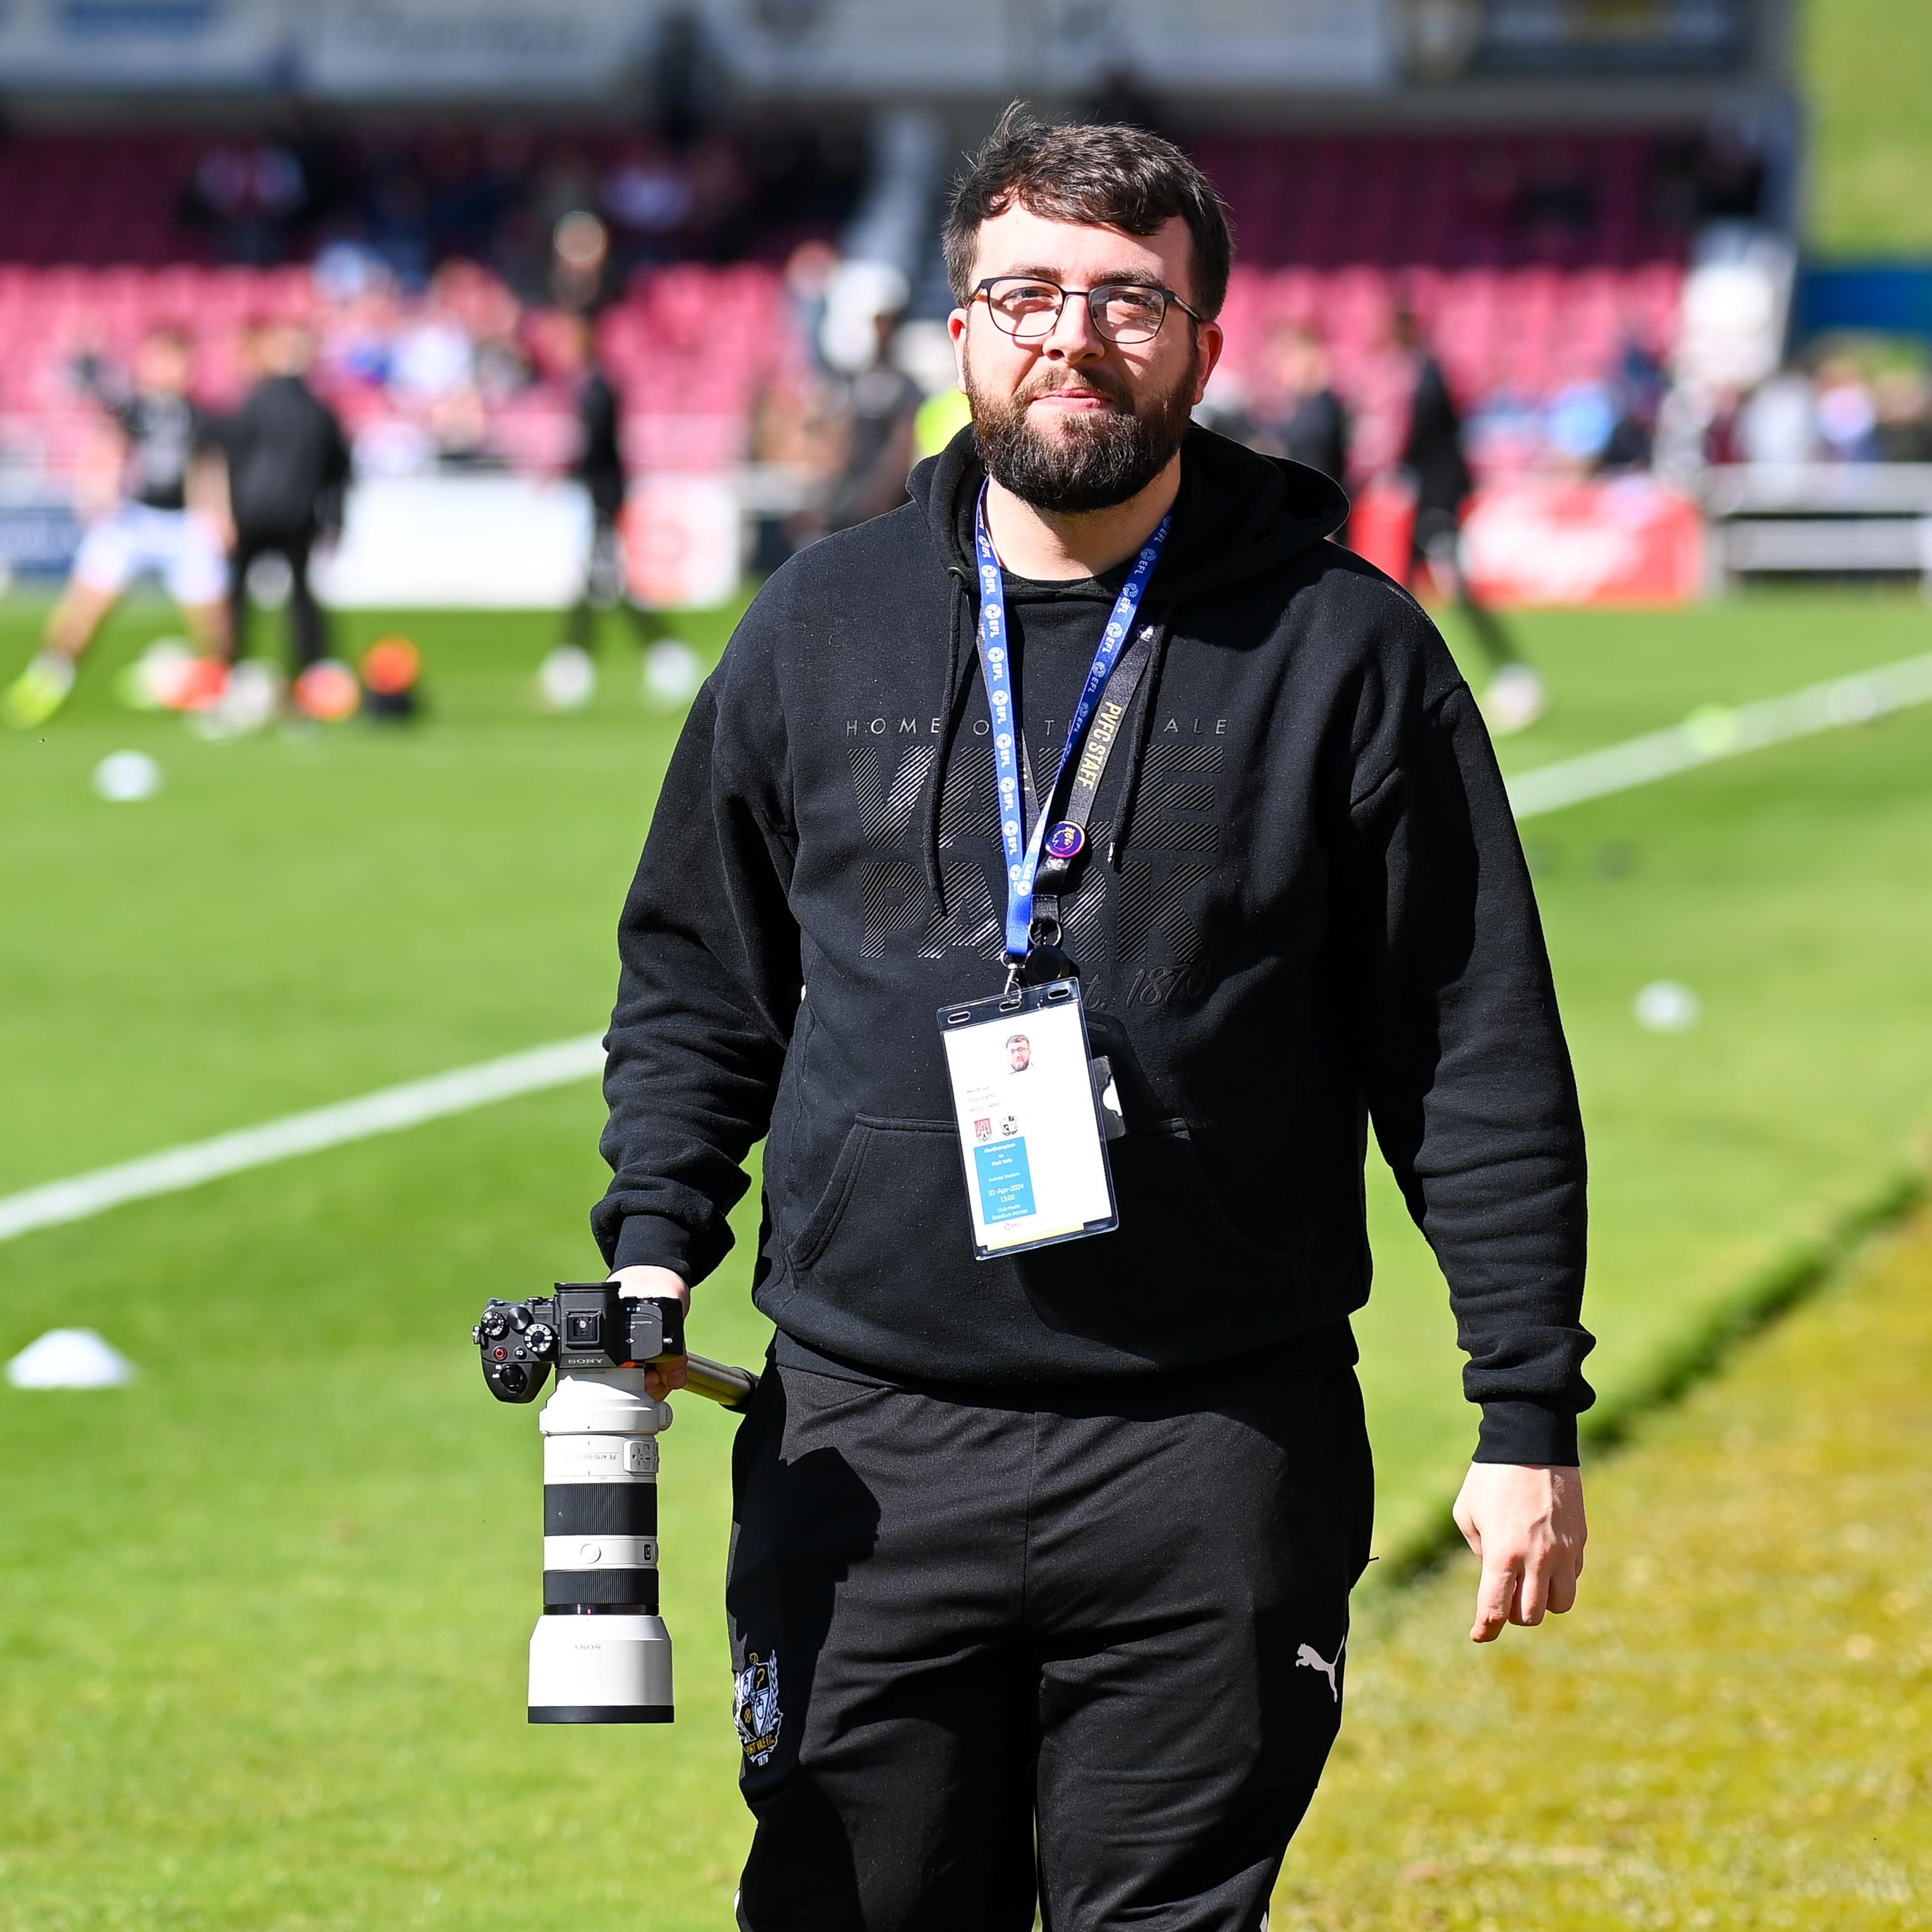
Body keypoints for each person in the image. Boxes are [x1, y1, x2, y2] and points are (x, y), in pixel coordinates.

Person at [597, 109, 1591, 1932]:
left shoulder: (1343, 647)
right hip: (868, 1440)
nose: (1074, 336)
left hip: (1212, 1446)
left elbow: (1471, 1046)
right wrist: (655, 1244)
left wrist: (1523, 1409)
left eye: (1130, 300)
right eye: (1027, 294)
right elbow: (697, 980)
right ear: (960, 331)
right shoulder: (818, 625)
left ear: (1203, 348)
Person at [6, 329, 229, 730]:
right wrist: (98, 489)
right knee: (85, 608)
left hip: (184, 524)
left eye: (178, 361)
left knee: (215, 623)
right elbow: (109, 449)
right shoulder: (133, 410)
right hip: (134, 520)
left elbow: (208, 470)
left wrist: (218, 514)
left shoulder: (202, 418)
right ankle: (49, 678)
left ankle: (215, 694)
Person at [1393, 307, 1548, 735]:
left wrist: (1435, 496)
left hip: (1437, 503)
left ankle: (1513, 675)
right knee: (1407, 591)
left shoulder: (1427, 379)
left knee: (1453, 590)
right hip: (1431, 501)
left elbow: (1435, 446)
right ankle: (1400, 687)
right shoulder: (1423, 376)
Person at [537, 310, 671, 709]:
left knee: (607, 586)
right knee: (603, 586)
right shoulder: (595, 387)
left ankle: (659, 658)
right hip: (604, 499)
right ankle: (580, 664)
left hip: (604, 502)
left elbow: (597, 450)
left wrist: (564, 472)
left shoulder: (597, 389)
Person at [222, 321, 351, 684]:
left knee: (242, 595)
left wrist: (228, 510)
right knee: (299, 596)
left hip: (256, 513)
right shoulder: (314, 408)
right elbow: (338, 472)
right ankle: (311, 669)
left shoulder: (258, 403)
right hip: (292, 514)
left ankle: (232, 667)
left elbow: (232, 460)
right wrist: (335, 519)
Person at [1245, 323, 1350, 541]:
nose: (1283, 370)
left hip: (1322, 518)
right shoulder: (1305, 407)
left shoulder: (1323, 408)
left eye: (1288, 359)